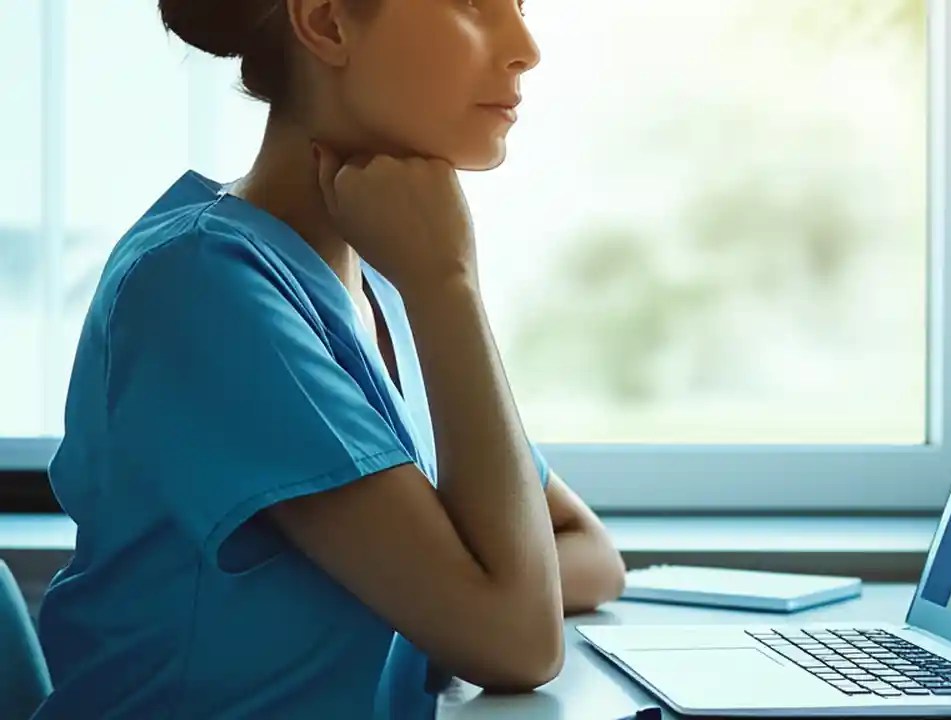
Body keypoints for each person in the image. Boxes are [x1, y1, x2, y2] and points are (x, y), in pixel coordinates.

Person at [34, 0, 626, 717]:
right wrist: (450, 285)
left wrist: (477, 585)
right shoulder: (202, 285)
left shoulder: (384, 279)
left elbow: (590, 553)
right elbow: (517, 644)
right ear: (327, 23)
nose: (526, 48)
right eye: (472, 4)